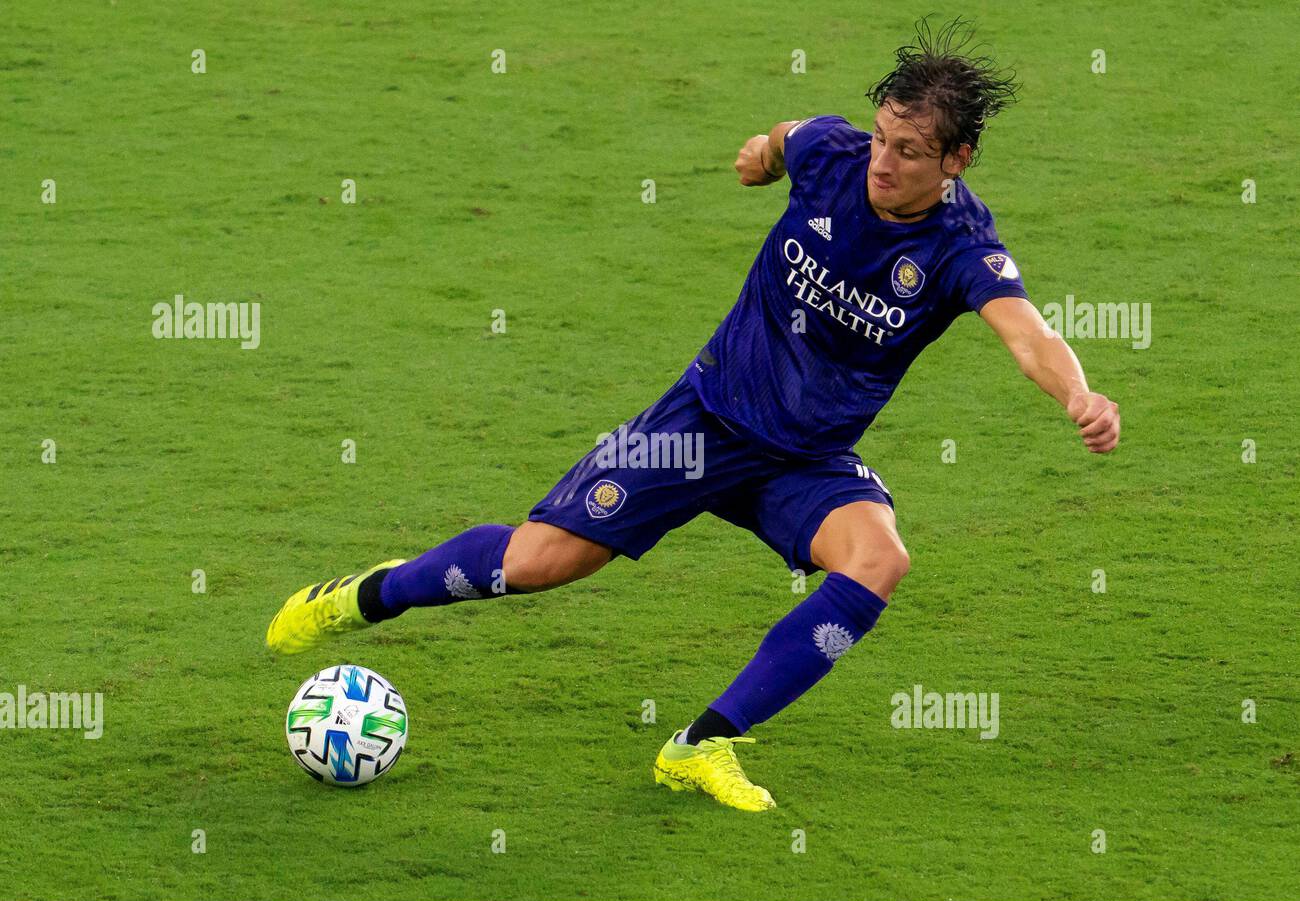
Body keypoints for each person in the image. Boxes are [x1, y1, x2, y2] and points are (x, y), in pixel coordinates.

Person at [265, 17, 1120, 812]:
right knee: (537, 565)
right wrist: (760, 155)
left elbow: (1027, 334)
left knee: (878, 560)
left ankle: (702, 745)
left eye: (906, 153)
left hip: (803, 459)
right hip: (703, 422)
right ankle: (368, 596)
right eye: (882, 138)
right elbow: (785, 140)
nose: (882, 163)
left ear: (957, 160)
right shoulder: (834, 151)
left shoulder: (962, 248)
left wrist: (1077, 394)